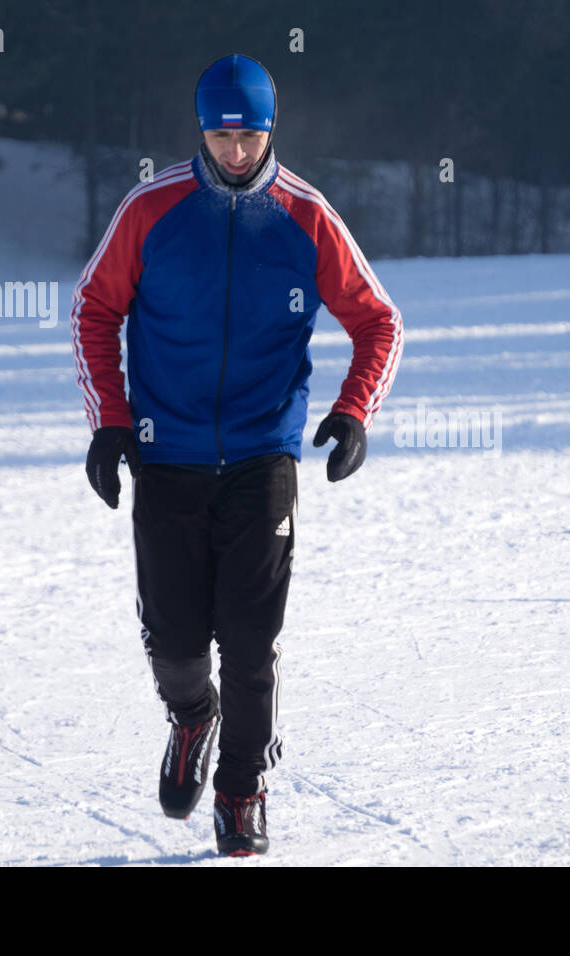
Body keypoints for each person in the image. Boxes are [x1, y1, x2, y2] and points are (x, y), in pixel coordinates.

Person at [71, 53, 403, 856]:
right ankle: (192, 719)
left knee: (251, 641)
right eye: (223, 135)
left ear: (269, 128)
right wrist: (112, 422)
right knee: (178, 643)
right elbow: (93, 307)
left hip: (263, 457)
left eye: (250, 134)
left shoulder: (306, 215)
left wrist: (354, 411)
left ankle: (243, 789)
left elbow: (379, 321)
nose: (237, 151)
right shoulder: (152, 210)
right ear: (201, 130)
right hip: (168, 454)